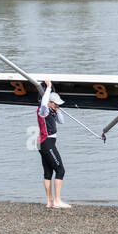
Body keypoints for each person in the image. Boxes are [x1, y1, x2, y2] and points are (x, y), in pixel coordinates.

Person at [37, 79, 70, 209]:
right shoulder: (43, 110)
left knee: (48, 172)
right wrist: (49, 87)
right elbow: (44, 102)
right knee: (60, 170)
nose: (58, 105)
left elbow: (61, 121)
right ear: (50, 102)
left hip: (45, 143)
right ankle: (57, 200)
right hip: (47, 142)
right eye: (56, 104)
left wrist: (58, 110)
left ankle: (50, 201)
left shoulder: (53, 110)